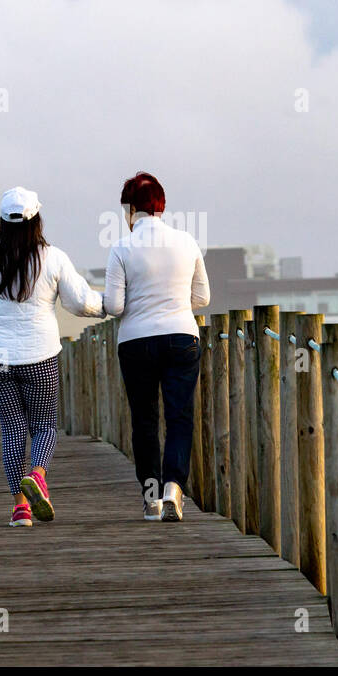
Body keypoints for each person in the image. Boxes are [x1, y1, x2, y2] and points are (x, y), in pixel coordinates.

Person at [0, 186, 104, 527]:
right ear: (37, 220)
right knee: (44, 426)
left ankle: (20, 508)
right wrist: (110, 305)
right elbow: (78, 302)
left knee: (12, 430)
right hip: (40, 355)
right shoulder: (53, 258)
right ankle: (39, 475)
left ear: (2, 221)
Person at [103, 172, 210, 521]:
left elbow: (115, 306)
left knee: (145, 419)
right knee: (179, 416)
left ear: (131, 209)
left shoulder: (121, 248)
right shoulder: (187, 241)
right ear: (161, 206)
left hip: (136, 342)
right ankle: (174, 490)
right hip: (181, 337)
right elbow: (203, 297)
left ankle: (150, 497)